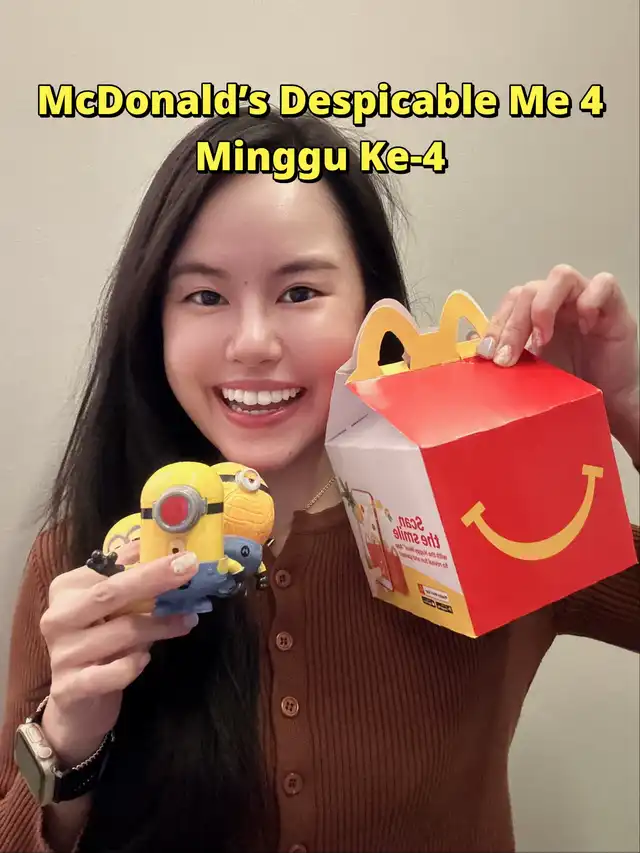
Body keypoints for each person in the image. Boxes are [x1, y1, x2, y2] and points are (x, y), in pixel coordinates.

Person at [0, 108, 638, 853]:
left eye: (300, 292)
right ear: (154, 323)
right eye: (204, 296)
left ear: (373, 309)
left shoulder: (497, 517)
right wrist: (68, 741)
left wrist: (630, 408)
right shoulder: (84, 560)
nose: (253, 343)